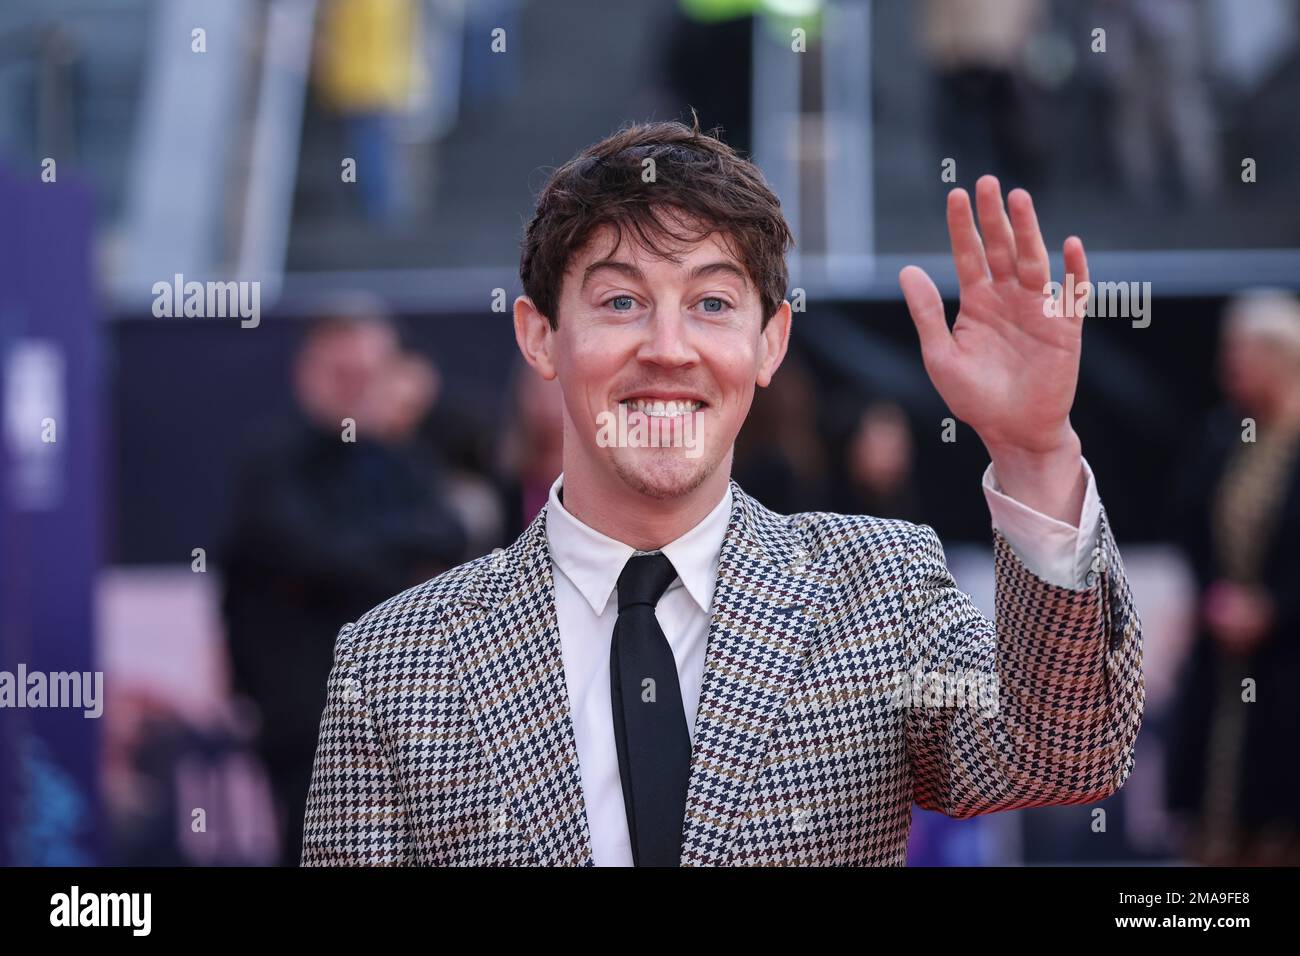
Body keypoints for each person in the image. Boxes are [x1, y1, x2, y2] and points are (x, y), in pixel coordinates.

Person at [302, 118, 1143, 866]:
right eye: (622, 300)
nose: (669, 348)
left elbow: (1063, 751)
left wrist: (1035, 451)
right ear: (540, 335)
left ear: (770, 343)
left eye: (711, 302)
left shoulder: (879, 593)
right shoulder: (393, 665)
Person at [221, 311, 465, 866]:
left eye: (370, 370)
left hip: (407, 707)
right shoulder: (271, 464)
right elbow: (308, 553)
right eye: (343, 371)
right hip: (303, 711)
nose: (359, 384)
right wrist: (395, 561)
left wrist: (370, 552)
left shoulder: (403, 460)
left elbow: (448, 535)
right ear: (308, 372)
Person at [1166, 290, 1300, 865]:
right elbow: (1188, 526)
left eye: (1241, 352)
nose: (1229, 366)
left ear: (1280, 356)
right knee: (1215, 826)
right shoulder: (1224, 436)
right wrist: (1214, 599)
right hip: (1222, 659)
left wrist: (1274, 609)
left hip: (1288, 664)